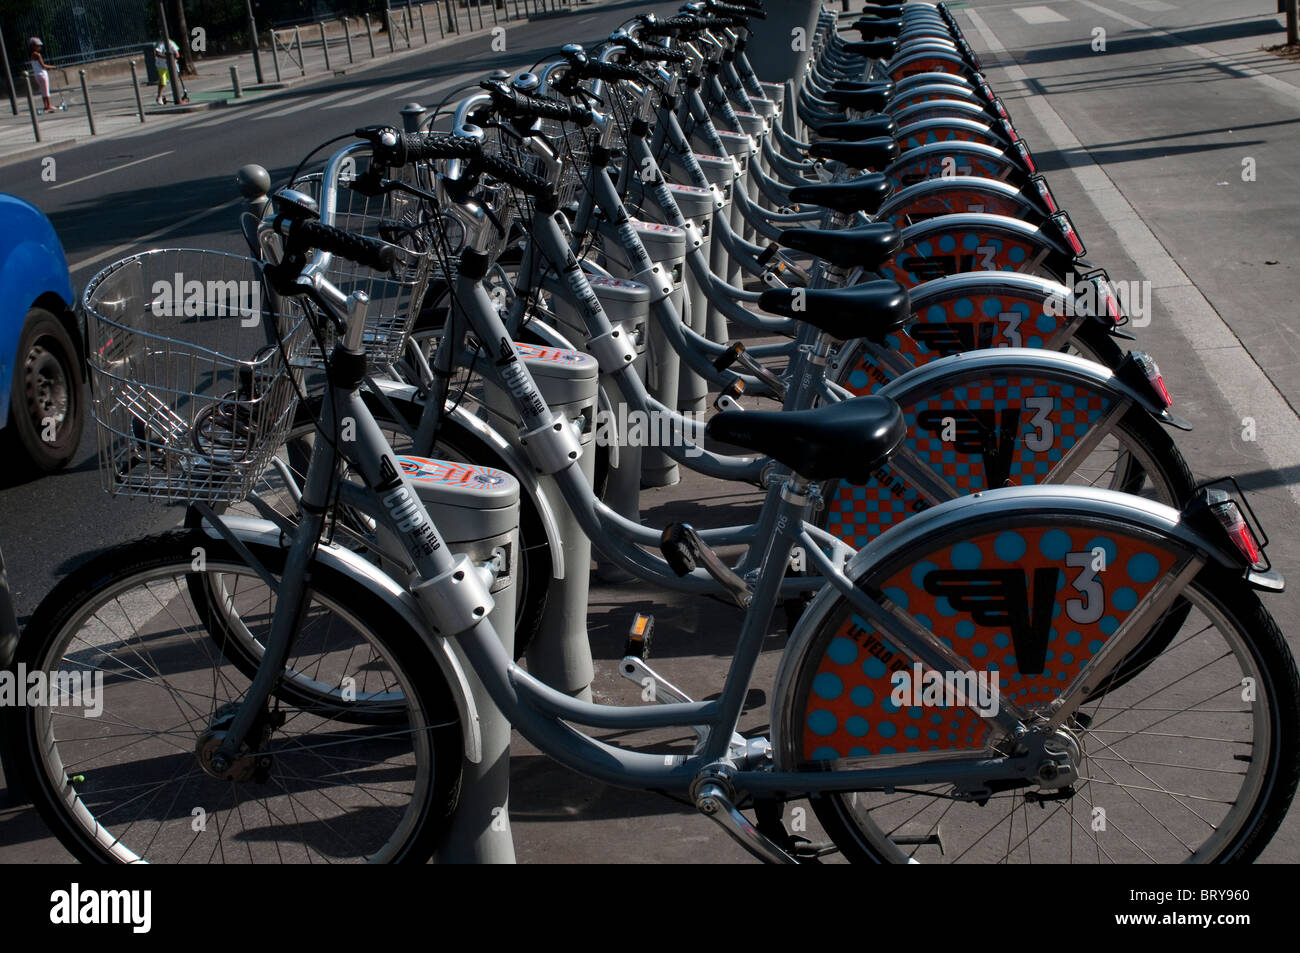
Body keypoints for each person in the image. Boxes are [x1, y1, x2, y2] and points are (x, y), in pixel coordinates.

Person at [153, 37, 188, 105]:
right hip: (161, 65)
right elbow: (157, 54)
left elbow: (177, 53)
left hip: (170, 66)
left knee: (173, 81)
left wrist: (175, 56)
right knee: (163, 81)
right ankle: (159, 97)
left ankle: (176, 96)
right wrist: (167, 57)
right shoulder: (160, 44)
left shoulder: (171, 43)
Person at [28, 38, 55, 113]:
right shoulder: (37, 55)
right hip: (42, 74)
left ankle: (45, 105)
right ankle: (48, 105)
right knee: (46, 90)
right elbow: (43, 65)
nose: (39, 47)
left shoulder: (31, 55)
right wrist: (53, 67)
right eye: (38, 45)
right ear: (33, 46)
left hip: (37, 74)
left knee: (43, 90)